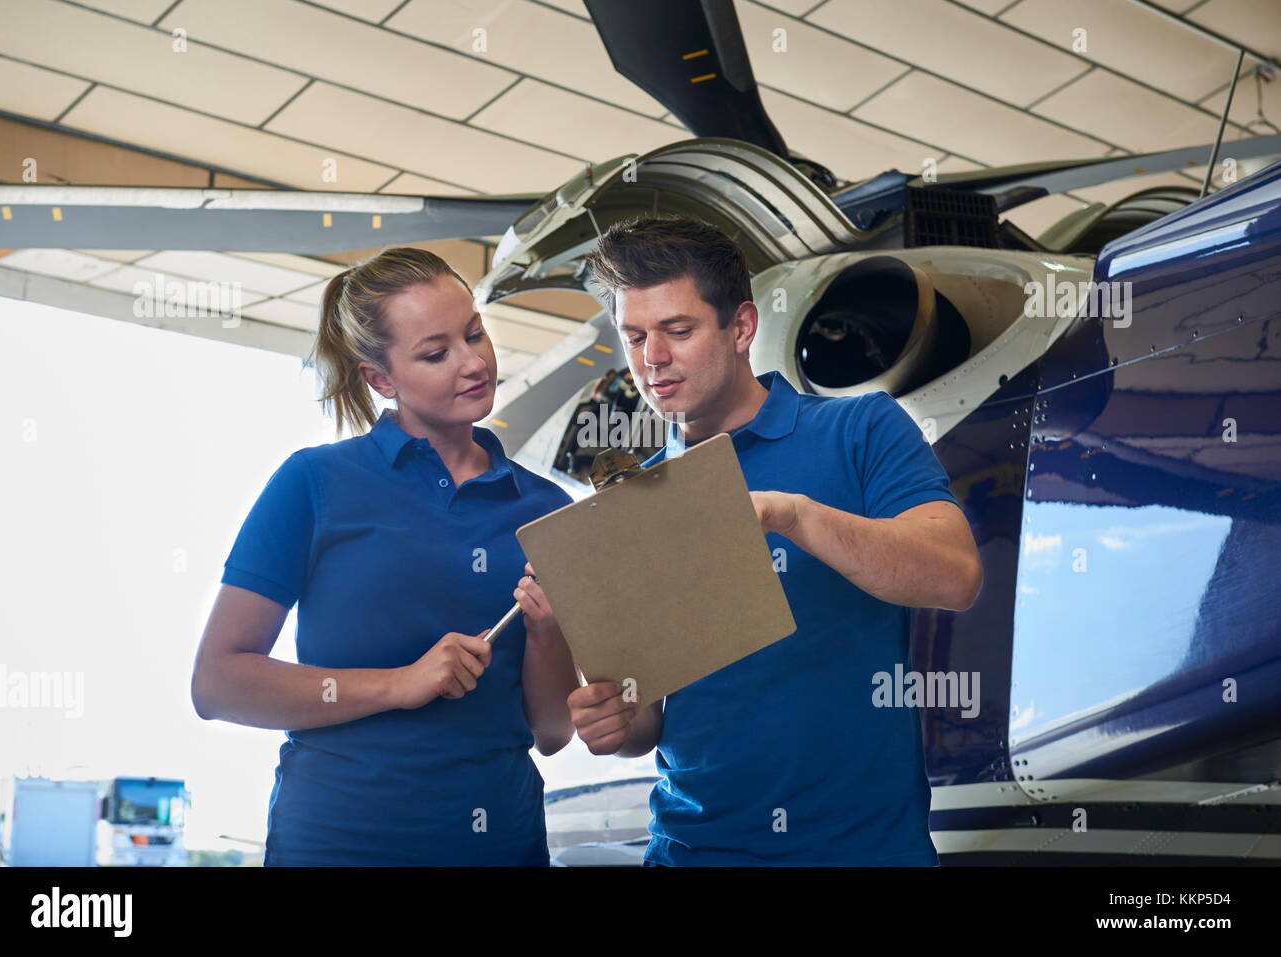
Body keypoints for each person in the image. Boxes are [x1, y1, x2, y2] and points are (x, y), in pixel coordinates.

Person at [566, 216, 983, 866]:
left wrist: (792, 516)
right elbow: (647, 718)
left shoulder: (860, 429)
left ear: (741, 328)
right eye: (636, 335)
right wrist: (616, 724)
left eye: (678, 330)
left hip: (862, 853)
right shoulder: (628, 500)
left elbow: (954, 575)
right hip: (692, 850)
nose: (653, 359)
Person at [191, 247, 580, 866]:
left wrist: (547, 631)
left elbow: (552, 732)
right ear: (381, 379)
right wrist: (399, 685)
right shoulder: (314, 483)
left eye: (475, 332)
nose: (473, 361)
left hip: (499, 844)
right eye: (436, 353)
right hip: (337, 844)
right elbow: (217, 684)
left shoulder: (548, 508)